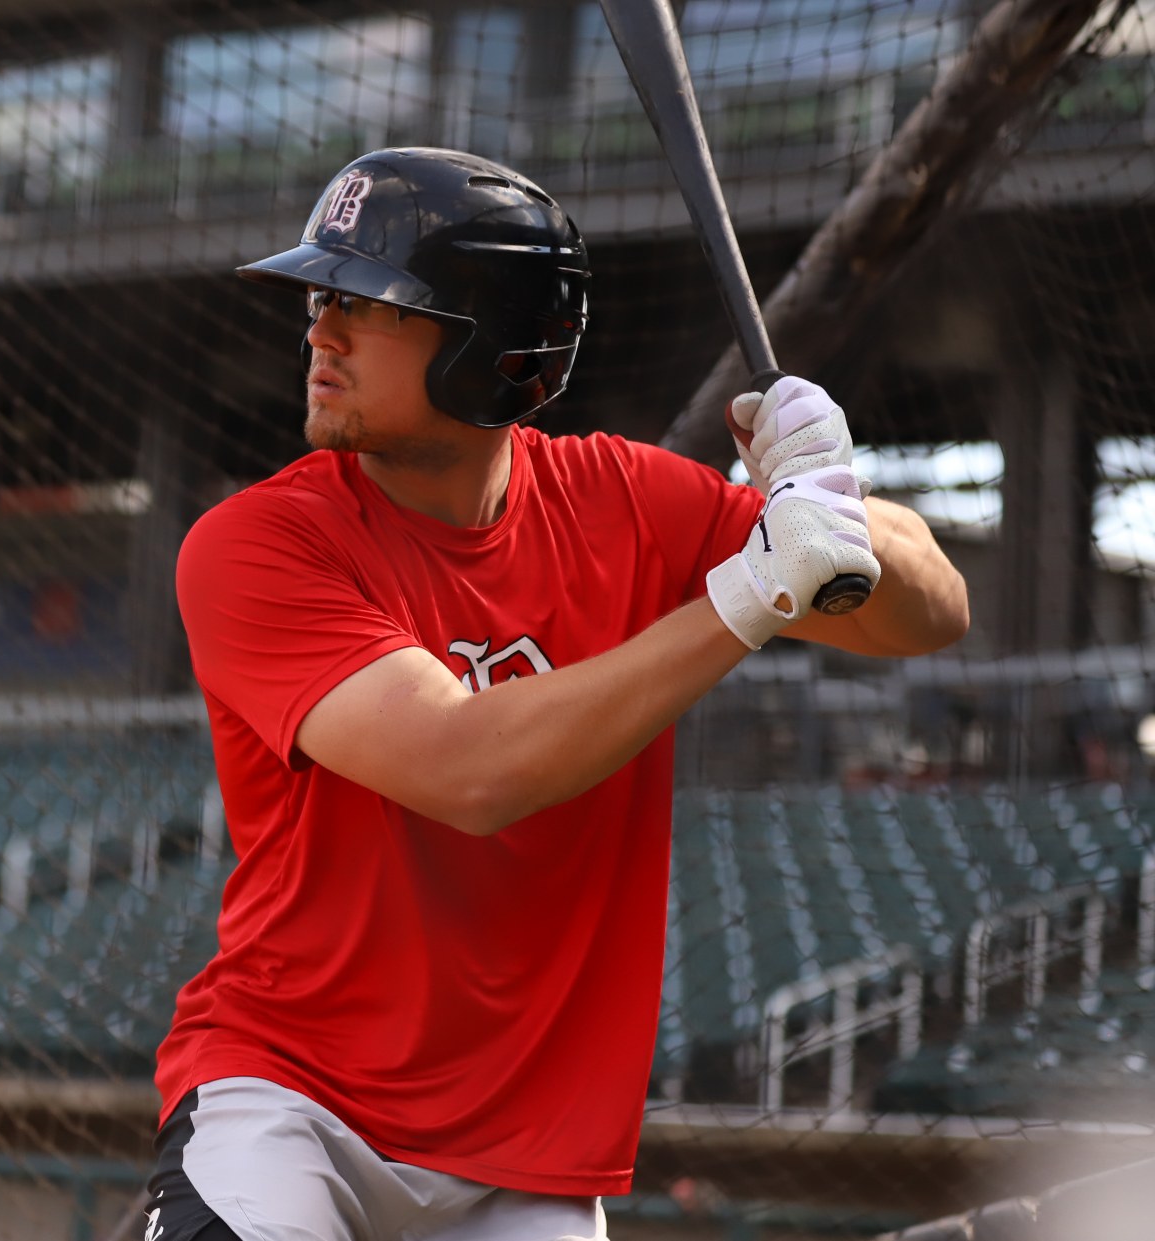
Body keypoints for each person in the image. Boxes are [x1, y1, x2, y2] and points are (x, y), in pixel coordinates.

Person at [146, 148, 969, 1241]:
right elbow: (468, 770)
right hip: (295, 1099)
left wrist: (830, 502)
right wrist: (754, 590)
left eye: (369, 304)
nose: (321, 333)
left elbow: (930, 614)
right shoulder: (258, 542)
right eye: (320, 298)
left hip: (524, 1154)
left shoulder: (619, 498)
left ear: (493, 344)